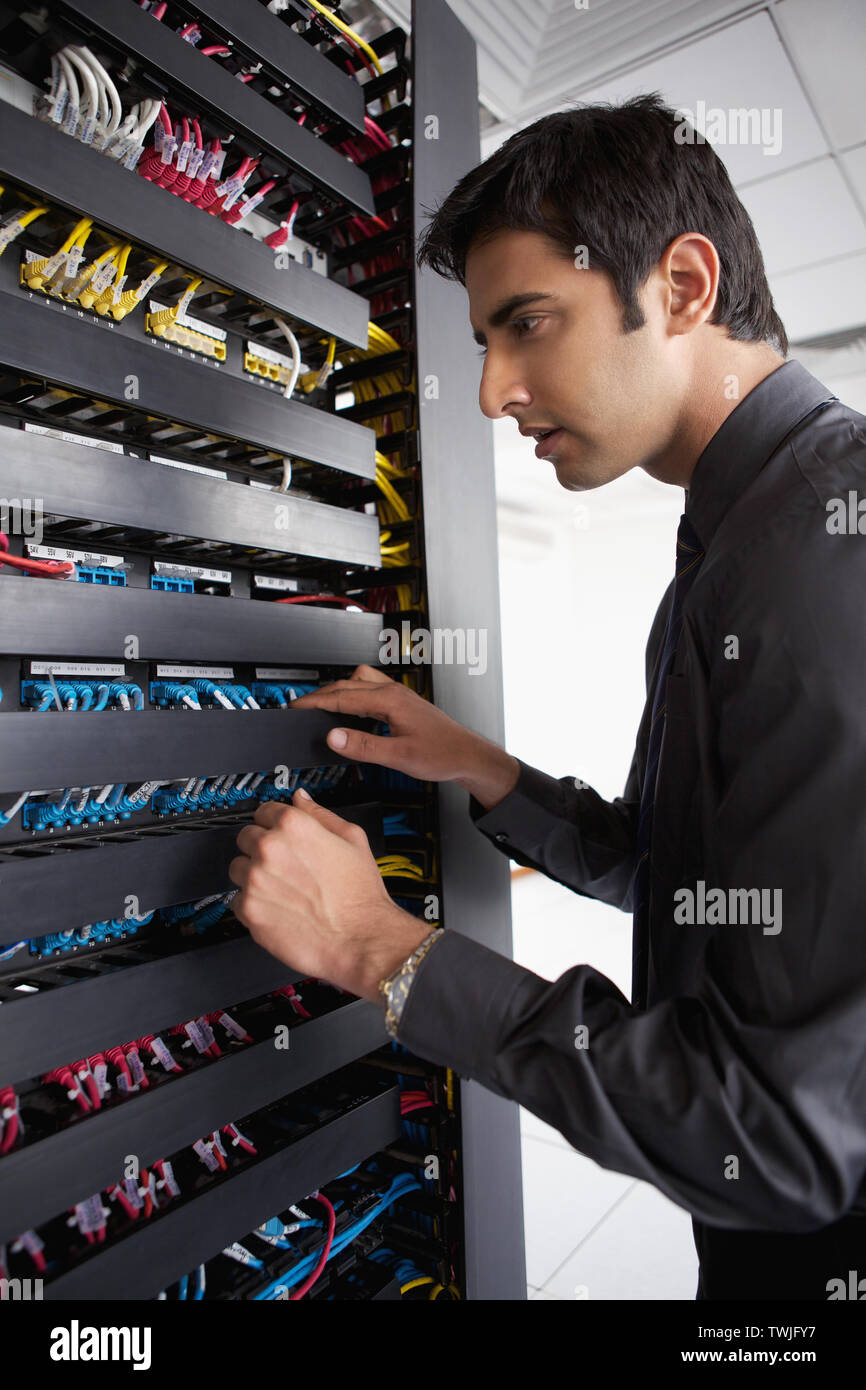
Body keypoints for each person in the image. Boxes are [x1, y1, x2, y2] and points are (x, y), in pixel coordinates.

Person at [229, 94, 866, 1301]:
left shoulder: (823, 553)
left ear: (681, 284)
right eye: (482, 341)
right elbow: (690, 874)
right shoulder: (741, 543)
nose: (489, 392)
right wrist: (485, 769)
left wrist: (383, 948)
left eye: (526, 324)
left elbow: (777, 1139)